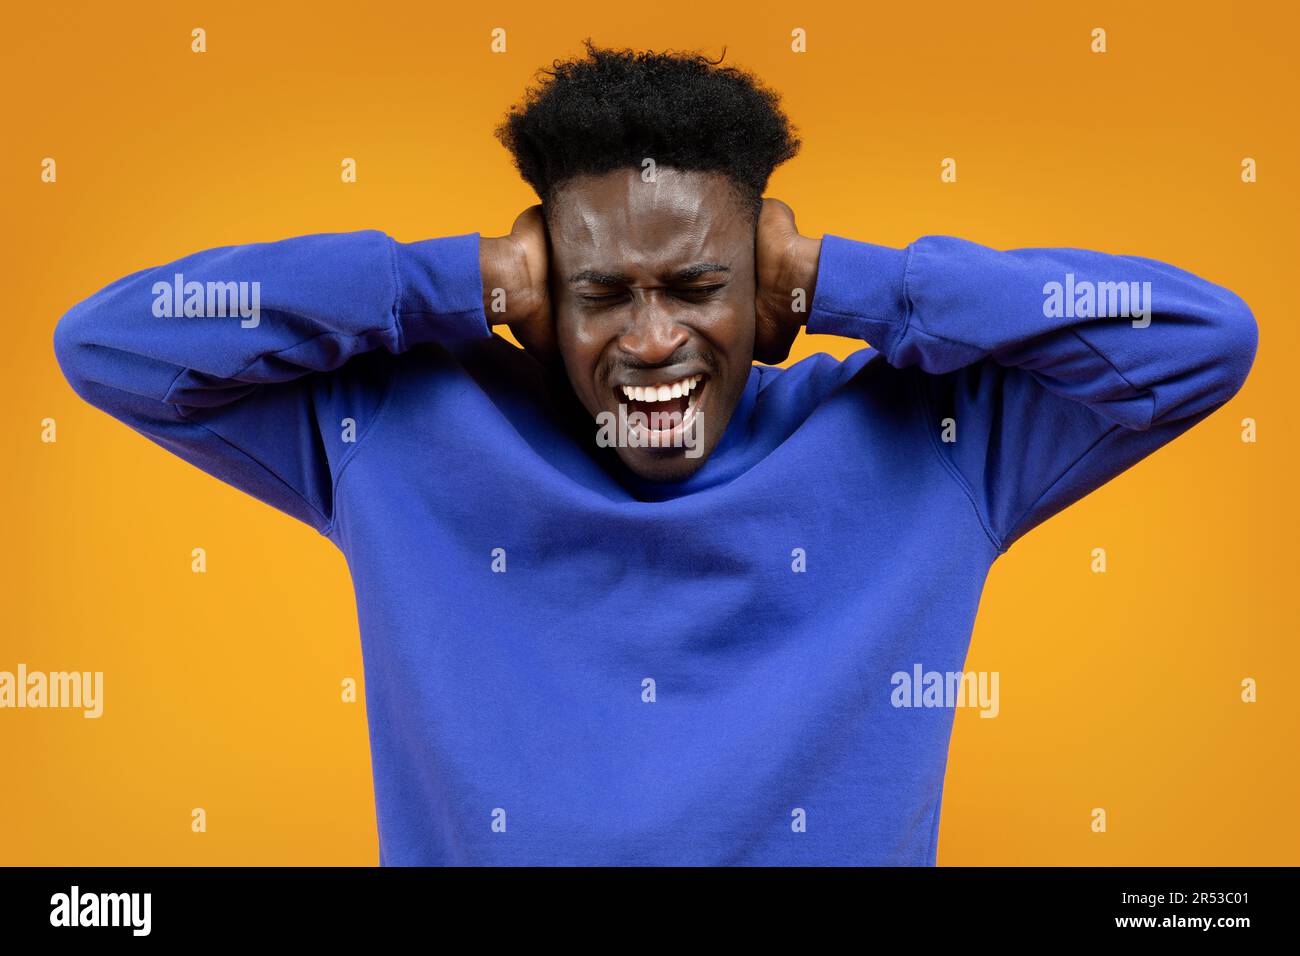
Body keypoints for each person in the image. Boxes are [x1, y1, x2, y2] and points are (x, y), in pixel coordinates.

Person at [52, 43, 1257, 865]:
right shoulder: (404, 431)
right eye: (600, 293)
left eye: (697, 287)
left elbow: (1202, 340)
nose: (650, 340)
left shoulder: (932, 442)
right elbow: (114, 344)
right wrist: (456, 278)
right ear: (535, 299)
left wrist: (852, 279)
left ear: (766, 291)